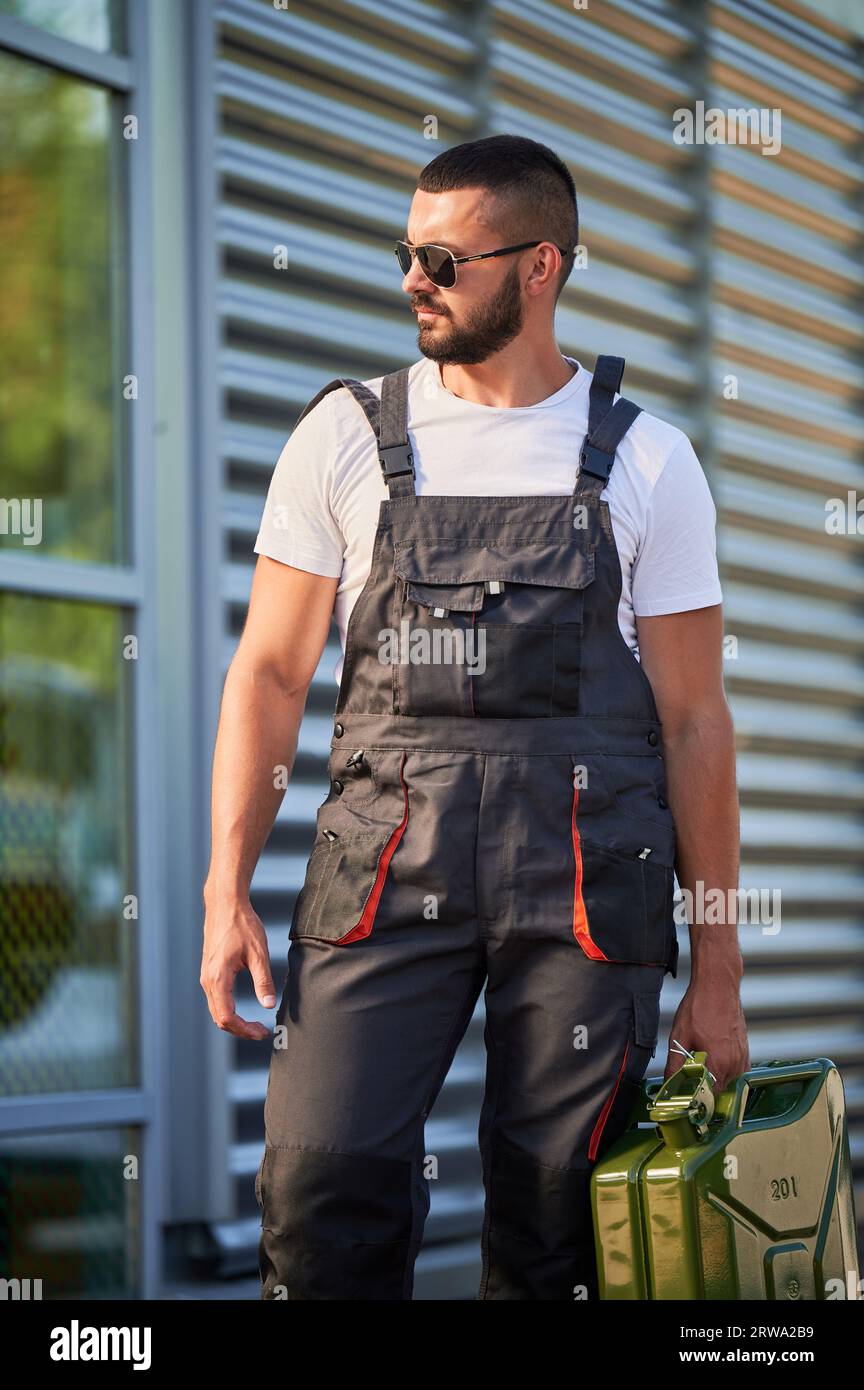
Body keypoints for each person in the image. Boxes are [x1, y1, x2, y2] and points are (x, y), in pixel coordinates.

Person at [200, 133, 749, 1301]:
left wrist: (719, 969)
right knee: (317, 1198)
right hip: (383, 871)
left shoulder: (648, 460)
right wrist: (222, 884)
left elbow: (697, 719)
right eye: (408, 253)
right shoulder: (345, 435)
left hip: (592, 885)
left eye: (446, 261)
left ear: (541, 266)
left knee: (561, 1236)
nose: (415, 280)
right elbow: (267, 675)